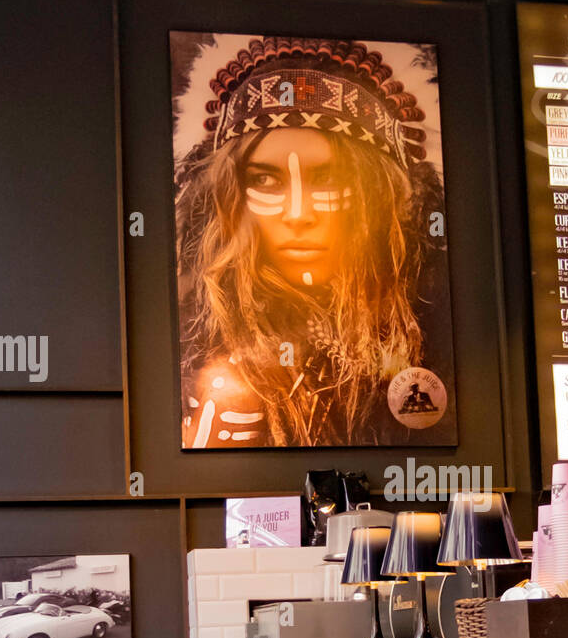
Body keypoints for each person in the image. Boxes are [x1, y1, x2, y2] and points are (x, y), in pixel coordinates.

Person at [174, 36, 451, 448]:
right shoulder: (202, 354)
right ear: (228, 197)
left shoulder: (441, 319)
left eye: (327, 177)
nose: (299, 213)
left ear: (380, 195)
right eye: (264, 179)